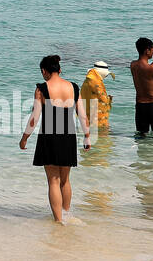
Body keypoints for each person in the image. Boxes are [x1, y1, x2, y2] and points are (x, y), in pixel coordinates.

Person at [19, 54, 90, 223]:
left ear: (44, 71)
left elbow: (34, 118)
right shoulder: (74, 87)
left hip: (49, 136)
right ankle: (66, 214)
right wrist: (87, 136)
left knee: (53, 180)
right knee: (65, 180)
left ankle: (59, 221)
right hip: (68, 136)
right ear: (60, 69)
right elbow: (83, 115)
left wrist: (24, 138)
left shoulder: (42, 89)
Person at [80, 61, 115, 132]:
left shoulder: (88, 80)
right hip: (98, 117)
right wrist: (109, 99)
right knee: (104, 138)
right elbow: (103, 100)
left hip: (89, 113)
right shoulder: (96, 82)